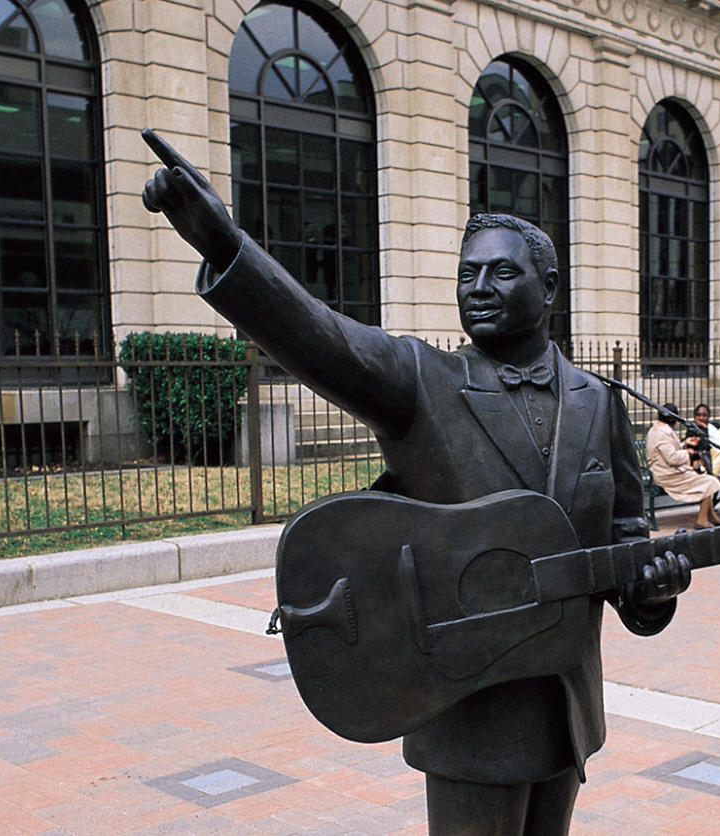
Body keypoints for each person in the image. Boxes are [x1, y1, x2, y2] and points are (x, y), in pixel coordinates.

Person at [139, 129, 691, 835]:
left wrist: (654, 591)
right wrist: (226, 248)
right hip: (467, 709)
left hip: (565, 708)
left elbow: (625, 542)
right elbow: (320, 338)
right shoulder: (422, 381)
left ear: (549, 288)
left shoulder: (598, 402)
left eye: (501, 274)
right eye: (468, 274)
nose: (479, 289)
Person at [644, 403, 720, 530]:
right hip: (668, 476)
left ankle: (711, 516)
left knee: (706, 478)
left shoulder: (660, 429)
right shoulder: (662, 433)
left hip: (669, 472)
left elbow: (667, 451)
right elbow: (672, 458)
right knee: (710, 481)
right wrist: (687, 453)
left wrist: (684, 444)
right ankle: (702, 521)